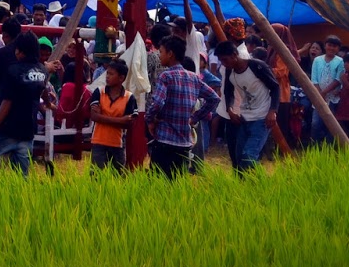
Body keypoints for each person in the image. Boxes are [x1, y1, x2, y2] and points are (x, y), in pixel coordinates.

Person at [145, 36, 219, 179]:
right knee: (178, 182)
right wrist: (194, 118)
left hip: (164, 140)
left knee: (158, 183)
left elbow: (158, 103)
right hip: (185, 141)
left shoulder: (166, 76)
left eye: (161, 52)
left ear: (170, 54)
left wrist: (150, 120)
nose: (159, 56)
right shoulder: (194, 77)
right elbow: (214, 98)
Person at [0, 31, 54, 175]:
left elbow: (8, 101)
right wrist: (48, 103)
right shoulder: (43, 70)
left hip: (8, 128)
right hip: (28, 129)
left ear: (20, 51)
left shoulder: (13, 70)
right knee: (22, 173)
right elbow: (43, 89)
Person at [213, 40, 280, 171]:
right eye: (221, 60)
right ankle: (247, 186)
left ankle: (260, 184)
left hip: (261, 118)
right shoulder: (229, 71)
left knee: (248, 157)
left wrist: (273, 111)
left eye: (225, 60)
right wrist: (229, 109)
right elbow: (228, 91)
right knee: (238, 158)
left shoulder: (257, 66)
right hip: (244, 118)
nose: (223, 64)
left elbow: (275, 87)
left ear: (234, 55)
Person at [87, 59, 137, 172]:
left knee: (116, 180)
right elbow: (94, 117)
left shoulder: (129, 97)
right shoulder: (99, 92)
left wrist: (102, 117)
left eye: (111, 74)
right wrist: (120, 120)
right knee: (97, 178)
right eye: (107, 73)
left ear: (121, 78)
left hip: (117, 144)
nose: (107, 77)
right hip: (98, 142)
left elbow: (128, 124)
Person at [307, 35, 346, 145]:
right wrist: (319, 93)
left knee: (331, 124)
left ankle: (329, 147)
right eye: (329, 45)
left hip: (333, 98)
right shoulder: (317, 60)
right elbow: (314, 79)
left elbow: (338, 79)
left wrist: (324, 92)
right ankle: (314, 146)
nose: (331, 48)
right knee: (315, 123)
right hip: (318, 97)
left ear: (338, 48)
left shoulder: (340, 61)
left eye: (334, 46)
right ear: (325, 46)